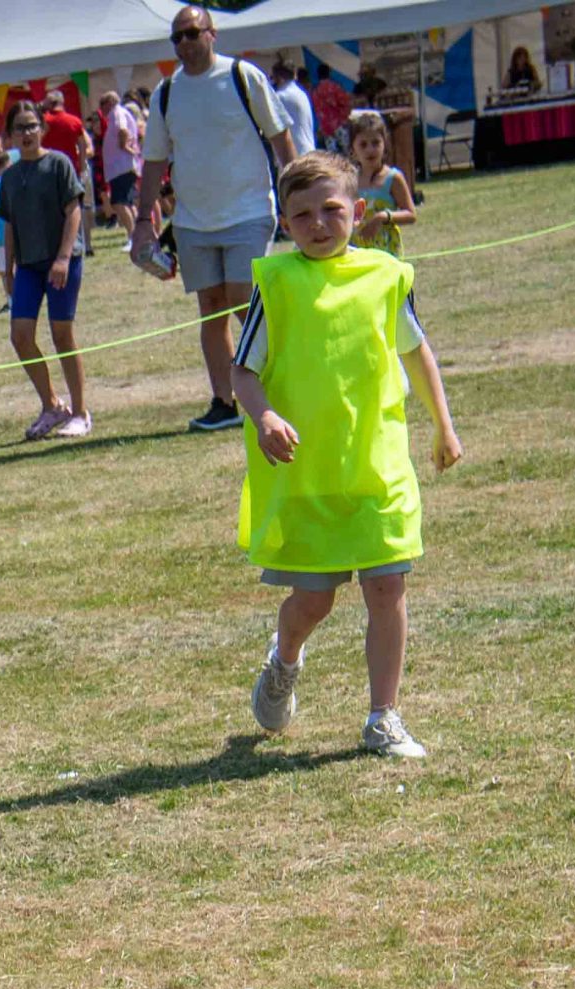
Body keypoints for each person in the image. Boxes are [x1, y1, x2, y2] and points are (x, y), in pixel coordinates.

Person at [234, 152, 459, 763]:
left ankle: (383, 717)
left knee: (388, 587)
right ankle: (284, 660)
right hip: (309, 476)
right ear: (284, 222)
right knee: (315, 601)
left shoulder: (386, 276)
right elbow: (243, 373)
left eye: (331, 210)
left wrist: (443, 425)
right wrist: (265, 415)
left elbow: (418, 354)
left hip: (378, 468)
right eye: (301, 214)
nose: (318, 223)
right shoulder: (276, 287)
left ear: (357, 212)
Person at [132, 7, 299, 432]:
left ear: (212, 33)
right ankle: (224, 403)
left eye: (192, 33)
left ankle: (283, 386)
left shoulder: (243, 76)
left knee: (245, 299)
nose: (185, 43)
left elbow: (281, 136)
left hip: (249, 210)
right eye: (177, 38)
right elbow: (153, 161)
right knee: (211, 310)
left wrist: (297, 194)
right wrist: (143, 221)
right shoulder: (166, 93)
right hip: (193, 221)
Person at [0, 98, 91, 442]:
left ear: (42, 128)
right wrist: (6, 269)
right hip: (29, 266)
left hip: (61, 262)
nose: (26, 133)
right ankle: (52, 405)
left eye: (31, 126)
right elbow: (8, 225)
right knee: (20, 337)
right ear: (9, 135)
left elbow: (74, 212)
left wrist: (64, 258)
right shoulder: (9, 177)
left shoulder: (59, 164)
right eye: (19, 128)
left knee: (62, 334)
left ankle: (80, 412)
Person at [345, 110, 417, 255]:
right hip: (358, 251)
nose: (370, 149)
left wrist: (382, 217)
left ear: (385, 144)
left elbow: (411, 214)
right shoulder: (350, 179)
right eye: (363, 145)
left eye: (376, 143)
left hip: (386, 250)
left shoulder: (393, 178)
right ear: (353, 150)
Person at [97, 90, 143, 235]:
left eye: (102, 104)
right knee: (127, 203)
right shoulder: (118, 113)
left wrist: (124, 146)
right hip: (123, 166)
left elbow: (122, 129)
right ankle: (136, 234)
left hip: (121, 166)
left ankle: (133, 235)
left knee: (118, 202)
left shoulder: (117, 113)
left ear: (110, 103)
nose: (101, 108)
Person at [269, 59, 320, 152]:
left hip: (295, 153)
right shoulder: (301, 93)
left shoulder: (280, 97)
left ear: (279, 78)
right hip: (309, 149)